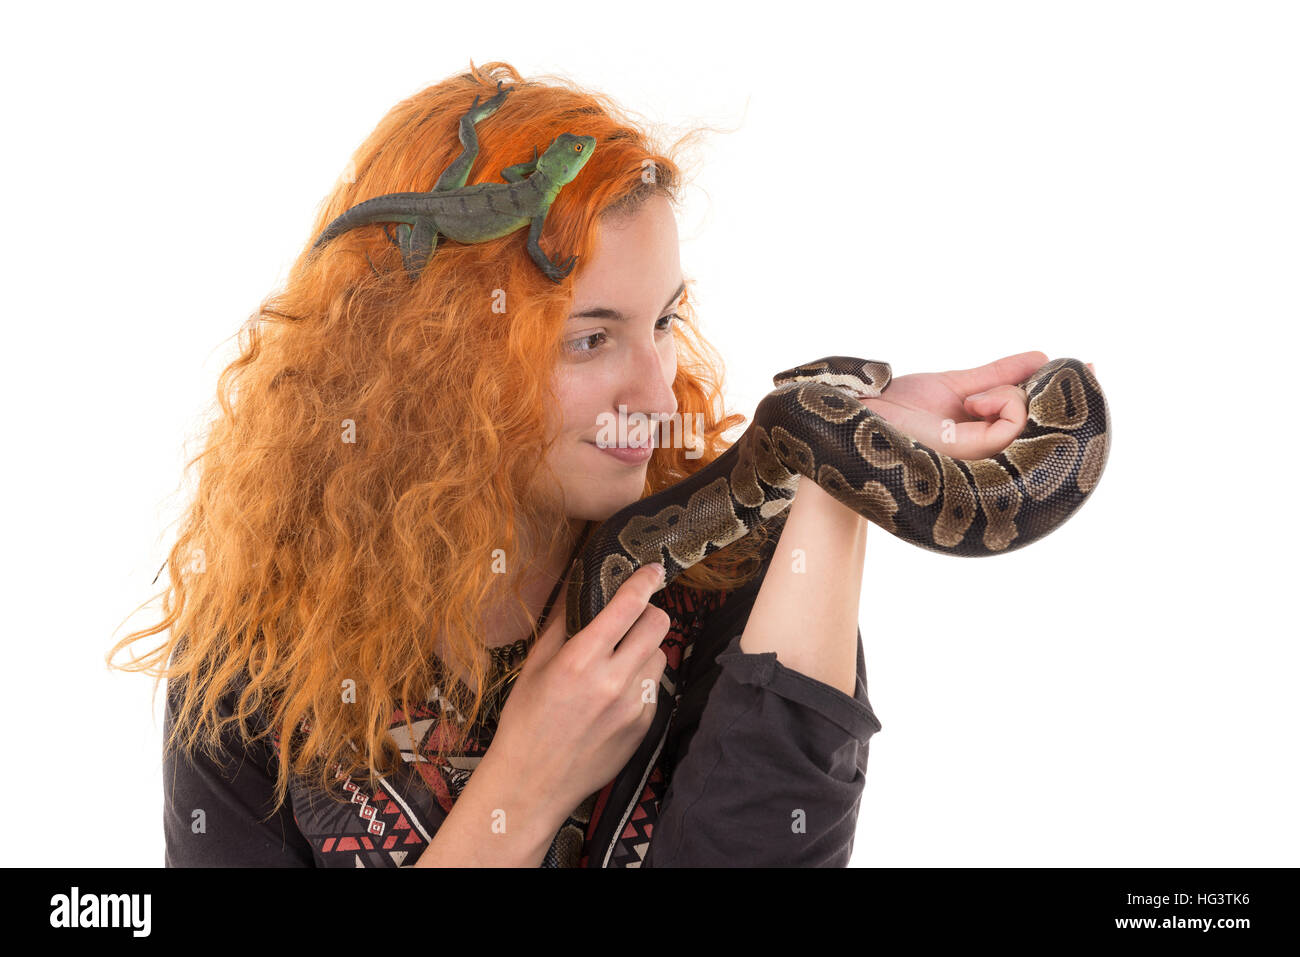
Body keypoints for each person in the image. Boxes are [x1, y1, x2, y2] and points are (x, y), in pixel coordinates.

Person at [110, 59, 1078, 867]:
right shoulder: (249, 675)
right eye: (588, 341)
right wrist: (524, 788)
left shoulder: (730, 582)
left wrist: (834, 456)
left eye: (661, 325)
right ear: (439, 365)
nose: (657, 400)